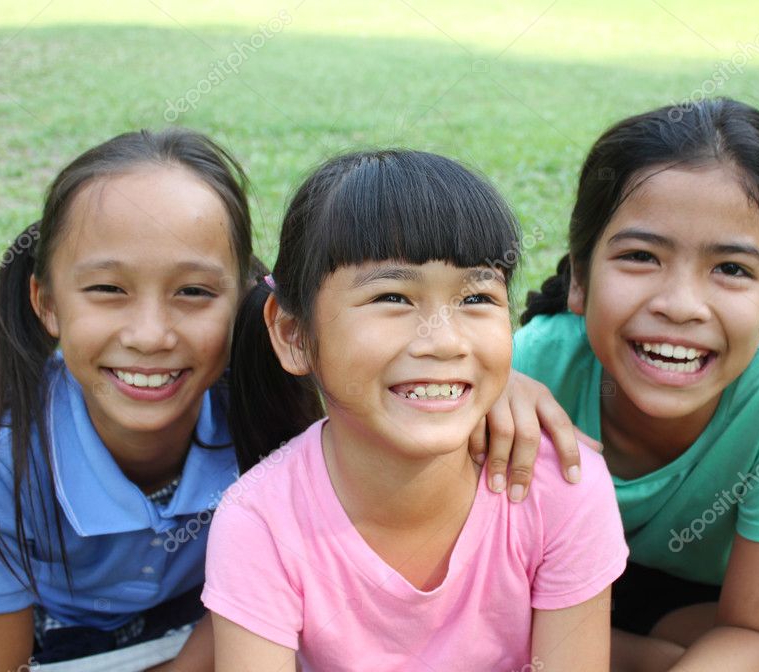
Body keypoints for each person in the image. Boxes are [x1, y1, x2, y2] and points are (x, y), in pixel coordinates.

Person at [203, 149, 629, 671]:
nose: (444, 341)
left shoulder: (560, 488)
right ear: (294, 334)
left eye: (476, 299)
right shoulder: (259, 522)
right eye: (393, 297)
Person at [0, 128, 301, 671]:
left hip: (201, 622)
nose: (150, 335)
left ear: (242, 302)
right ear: (46, 303)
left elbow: (276, 569)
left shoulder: (268, 413)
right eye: (107, 289)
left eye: (193, 291)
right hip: (45, 629)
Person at [513, 98, 759, 671]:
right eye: (640, 256)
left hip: (709, 601)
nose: (681, 306)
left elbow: (756, 631)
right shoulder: (533, 367)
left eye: (731, 269)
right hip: (547, 596)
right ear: (579, 279)